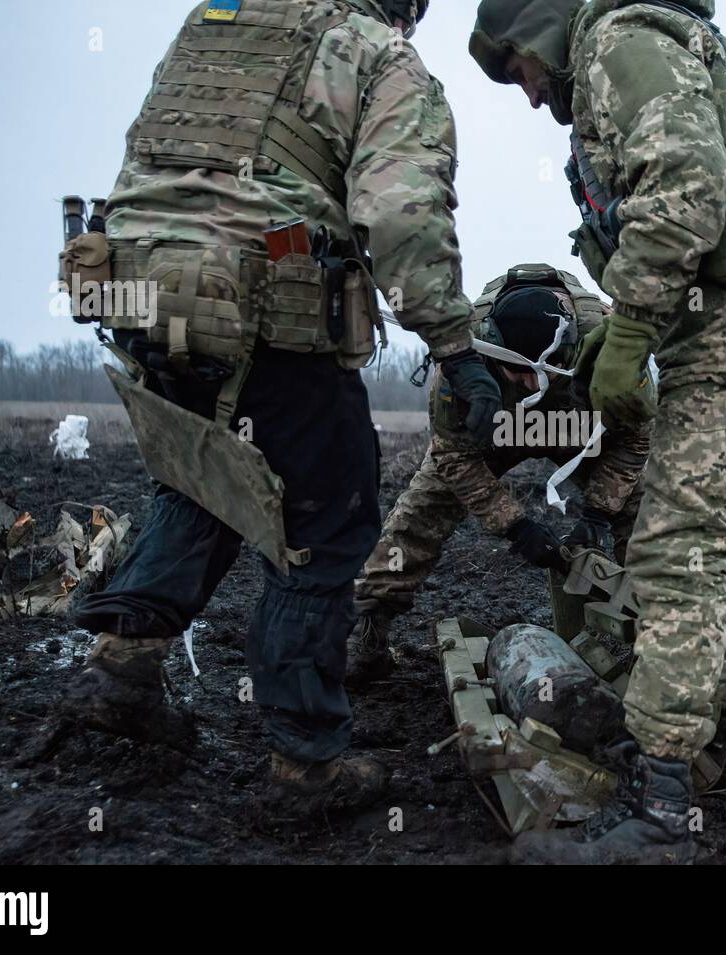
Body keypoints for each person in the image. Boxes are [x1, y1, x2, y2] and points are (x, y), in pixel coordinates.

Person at [61, 0, 502, 812]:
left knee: (202, 483)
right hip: (267, 305)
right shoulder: (377, 55)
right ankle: (306, 762)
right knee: (326, 528)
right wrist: (453, 345)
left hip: (133, 288)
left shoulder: (215, 22)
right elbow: (401, 214)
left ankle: (118, 674)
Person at [469, 0, 726, 861]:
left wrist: (627, 335)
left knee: (673, 551)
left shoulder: (620, 44)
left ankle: (661, 809)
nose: (528, 95)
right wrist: (615, 334)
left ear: (541, 31)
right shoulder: (641, 43)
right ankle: (716, 740)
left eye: (518, 69)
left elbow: (684, 188)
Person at [348, 263, 649, 684]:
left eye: (544, 371)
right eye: (519, 371)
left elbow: (635, 441)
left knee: (649, 516)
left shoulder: (609, 346)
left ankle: (658, 644)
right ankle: (366, 632)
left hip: (580, 427)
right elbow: (453, 455)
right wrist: (515, 524)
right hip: (494, 427)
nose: (531, 385)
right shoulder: (462, 356)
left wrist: (599, 512)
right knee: (420, 513)